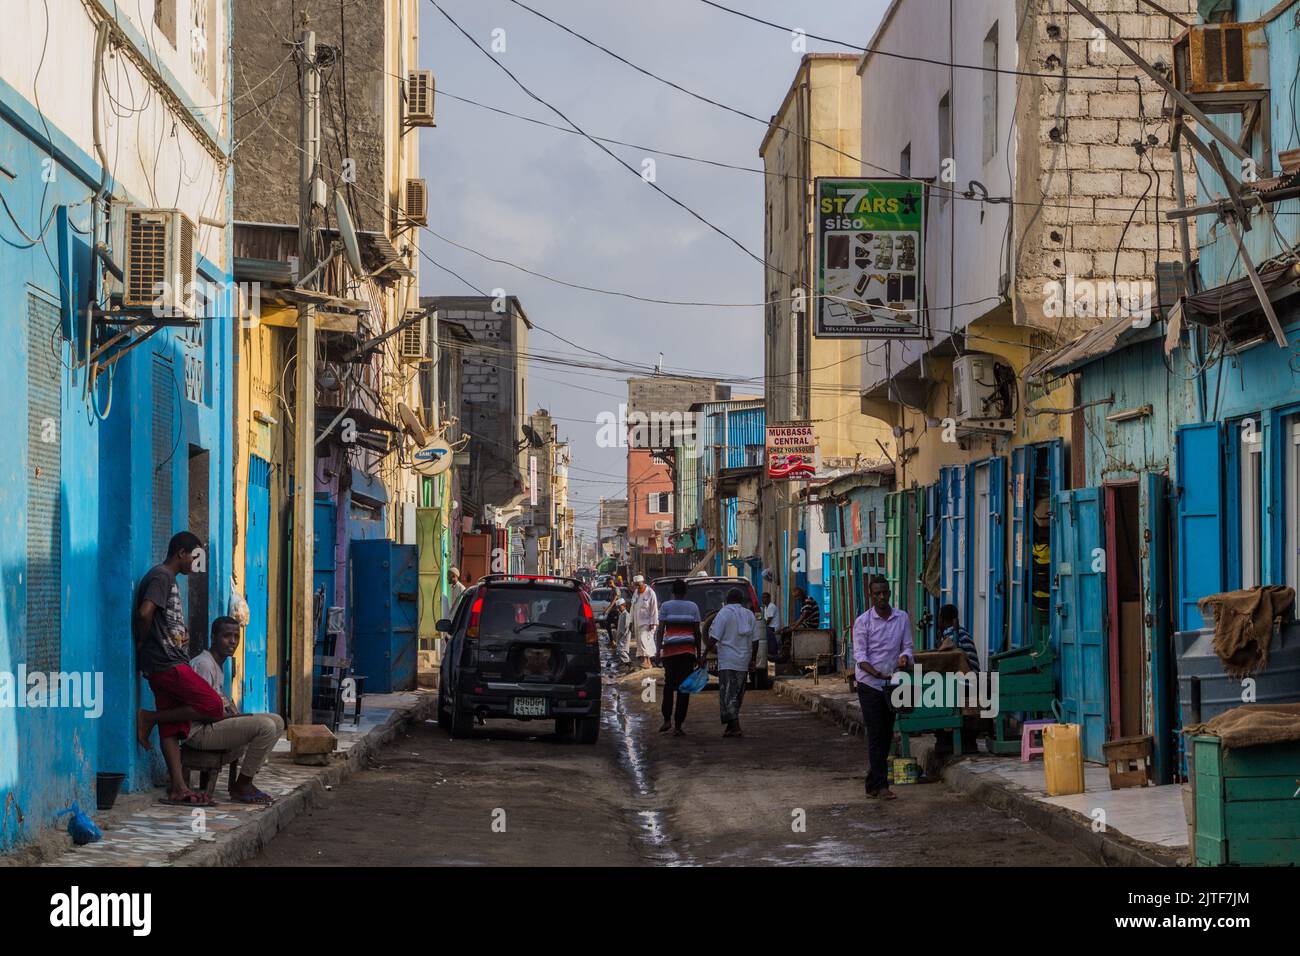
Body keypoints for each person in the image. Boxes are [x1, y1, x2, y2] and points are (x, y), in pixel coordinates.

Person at [133, 531, 225, 806]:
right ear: (180, 553)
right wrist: (142, 641)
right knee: (213, 706)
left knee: (172, 728)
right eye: (193, 557)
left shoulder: (167, 578)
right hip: (167, 663)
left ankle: (178, 788)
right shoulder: (161, 576)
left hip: (165, 661)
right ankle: (148, 718)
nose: (194, 564)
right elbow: (145, 612)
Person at [187, 617, 286, 805]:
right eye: (227, 636)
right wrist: (234, 717)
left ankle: (246, 778)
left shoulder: (217, 664)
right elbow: (200, 711)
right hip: (198, 732)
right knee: (264, 726)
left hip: (214, 724)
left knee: (277, 721)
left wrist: (233, 713)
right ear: (213, 637)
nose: (233, 641)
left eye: (236, 636)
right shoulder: (204, 665)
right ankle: (243, 785)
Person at [852, 575, 914, 801]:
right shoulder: (863, 622)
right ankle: (882, 785)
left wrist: (905, 659)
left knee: (887, 733)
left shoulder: (902, 618)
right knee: (876, 733)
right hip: (869, 684)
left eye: (885, 593)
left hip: (893, 684)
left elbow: (907, 647)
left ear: (889, 593)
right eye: (877, 593)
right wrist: (877, 673)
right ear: (871, 595)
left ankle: (872, 782)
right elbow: (860, 656)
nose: (881, 597)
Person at [654, 579, 702, 736]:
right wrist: (699, 654)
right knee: (684, 688)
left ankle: (667, 719)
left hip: (670, 652)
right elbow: (697, 632)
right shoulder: (693, 607)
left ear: (672, 592)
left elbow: (660, 630)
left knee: (669, 686)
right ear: (685, 591)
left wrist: (657, 651)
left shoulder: (666, 606)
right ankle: (678, 725)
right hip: (687, 653)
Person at [707, 588, 756, 737]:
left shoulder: (724, 613)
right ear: (741, 600)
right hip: (743, 660)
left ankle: (735, 727)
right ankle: (730, 726)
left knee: (728, 694)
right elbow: (755, 640)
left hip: (728, 660)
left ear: (727, 599)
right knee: (737, 694)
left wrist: (704, 654)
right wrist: (753, 659)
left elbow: (714, 636)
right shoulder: (749, 615)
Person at [937, 604, 979, 671]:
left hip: (967, 674)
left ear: (942, 619)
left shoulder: (950, 632)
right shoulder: (961, 631)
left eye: (938, 617)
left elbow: (949, 656)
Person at [630, 574, 659, 669]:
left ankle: (648, 662)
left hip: (648, 623)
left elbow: (654, 609)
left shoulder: (650, 593)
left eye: (639, 585)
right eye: (636, 585)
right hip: (638, 622)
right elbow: (632, 608)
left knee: (645, 641)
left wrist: (653, 622)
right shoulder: (636, 593)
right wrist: (631, 621)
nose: (638, 587)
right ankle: (645, 661)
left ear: (643, 583)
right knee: (640, 642)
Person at [761, 591, 779, 658]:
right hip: (769, 627)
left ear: (769, 598)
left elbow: (768, 621)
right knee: (770, 643)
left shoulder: (771, 606)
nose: (763, 599)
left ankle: (774, 656)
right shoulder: (766, 607)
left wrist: (762, 620)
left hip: (773, 627)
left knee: (772, 644)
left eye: (765, 598)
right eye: (762, 598)